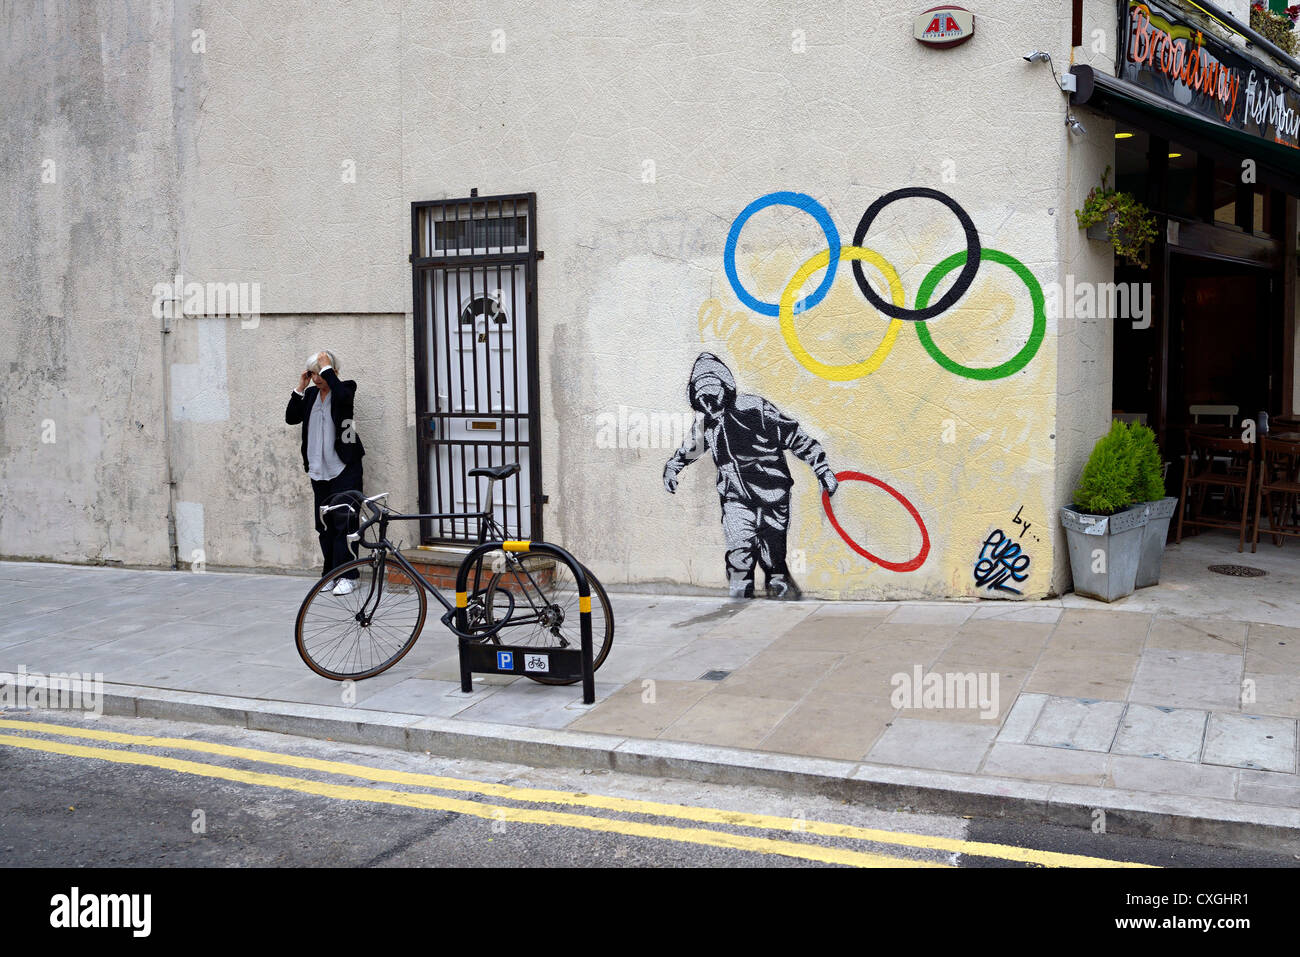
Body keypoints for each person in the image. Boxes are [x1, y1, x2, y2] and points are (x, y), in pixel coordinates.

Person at [663, 351, 838, 600]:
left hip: (773, 496)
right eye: (702, 399)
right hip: (735, 499)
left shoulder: (754, 410)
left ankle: (779, 594)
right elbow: (690, 448)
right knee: (738, 552)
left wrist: (822, 470)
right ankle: (738, 603)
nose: (709, 404)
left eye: (713, 396)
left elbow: (796, 437)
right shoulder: (706, 424)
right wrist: (673, 467)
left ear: (726, 388)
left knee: (773, 556)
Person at [285, 350, 366, 594]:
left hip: (344, 467)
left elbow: (341, 396)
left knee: (346, 522)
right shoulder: (310, 395)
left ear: (333, 372)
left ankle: (349, 575)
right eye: (313, 373)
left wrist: (326, 368)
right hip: (318, 470)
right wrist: (301, 386)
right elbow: (291, 418)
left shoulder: (346, 388)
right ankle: (330, 574)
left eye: (320, 373)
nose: (317, 378)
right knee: (325, 524)